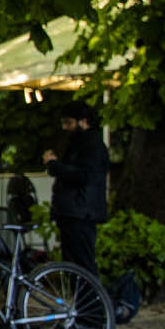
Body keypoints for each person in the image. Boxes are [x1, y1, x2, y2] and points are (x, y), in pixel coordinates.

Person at [43, 100, 108, 275]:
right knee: (75, 263)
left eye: (69, 123)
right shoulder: (84, 143)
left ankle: (91, 301)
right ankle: (85, 300)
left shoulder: (91, 145)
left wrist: (54, 165)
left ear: (83, 121)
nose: (65, 127)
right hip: (76, 211)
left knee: (81, 263)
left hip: (80, 212)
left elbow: (83, 175)